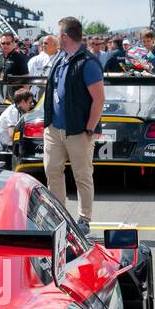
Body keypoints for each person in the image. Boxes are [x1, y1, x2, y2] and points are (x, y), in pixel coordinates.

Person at [41, 16, 105, 235]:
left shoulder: (87, 62)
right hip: (54, 129)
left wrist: (90, 128)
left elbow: (99, 99)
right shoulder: (61, 58)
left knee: (82, 175)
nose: (56, 37)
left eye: (58, 33)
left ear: (65, 36)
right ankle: (60, 216)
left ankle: (84, 219)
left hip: (78, 131)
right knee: (52, 171)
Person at [0, 31, 29, 101]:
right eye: (3, 43)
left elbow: (26, 80)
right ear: (0, 44)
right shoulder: (1, 58)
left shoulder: (19, 58)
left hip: (17, 100)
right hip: (5, 99)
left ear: (13, 43)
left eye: (8, 43)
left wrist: (25, 100)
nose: (5, 45)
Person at [0, 86, 35, 154]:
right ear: (23, 102)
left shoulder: (18, 110)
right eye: (30, 102)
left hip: (12, 146)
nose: (31, 105)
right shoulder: (13, 112)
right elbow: (12, 134)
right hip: (6, 148)